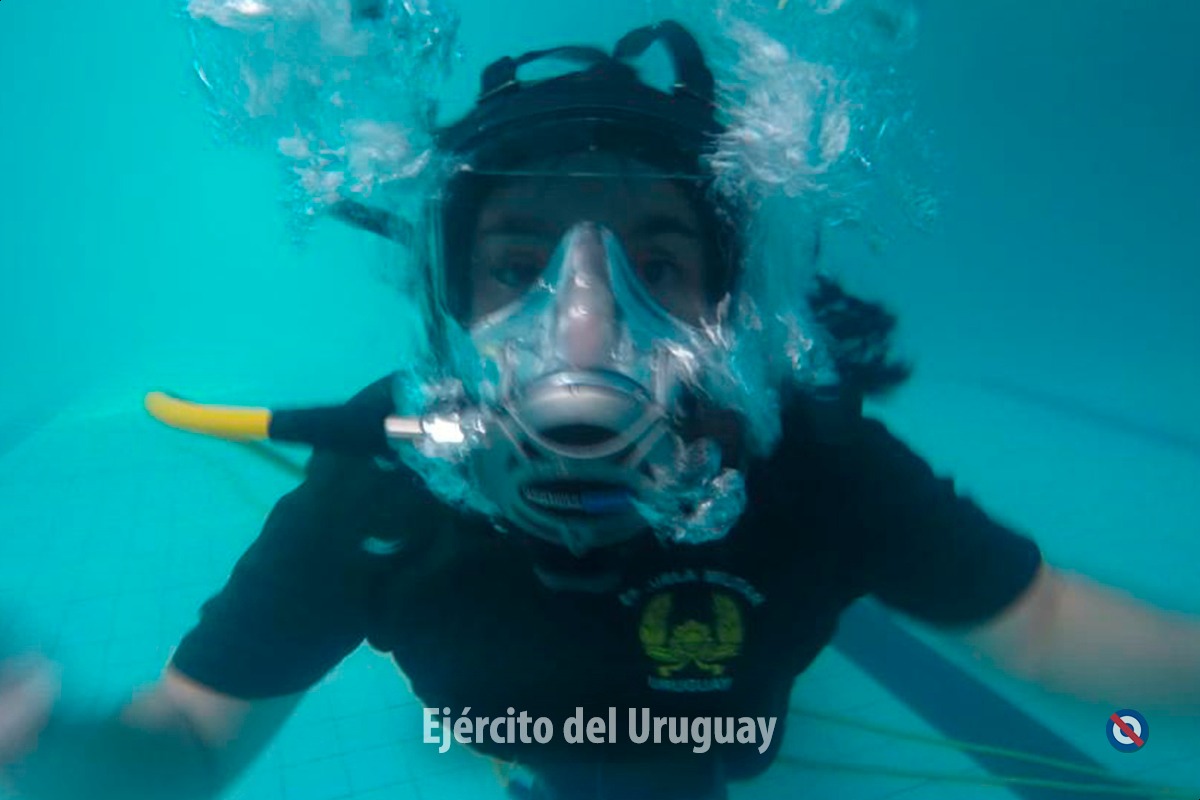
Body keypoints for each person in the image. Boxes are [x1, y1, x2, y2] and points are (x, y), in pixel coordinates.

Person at [2, 18, 1199, 800]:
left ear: (734, 308)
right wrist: (54, 750)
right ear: (445, 306)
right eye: (518, 267)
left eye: (660, 269)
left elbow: (1033, 623)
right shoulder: (383, 485)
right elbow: (195, 735)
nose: (585, 331)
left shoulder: (808, 461)